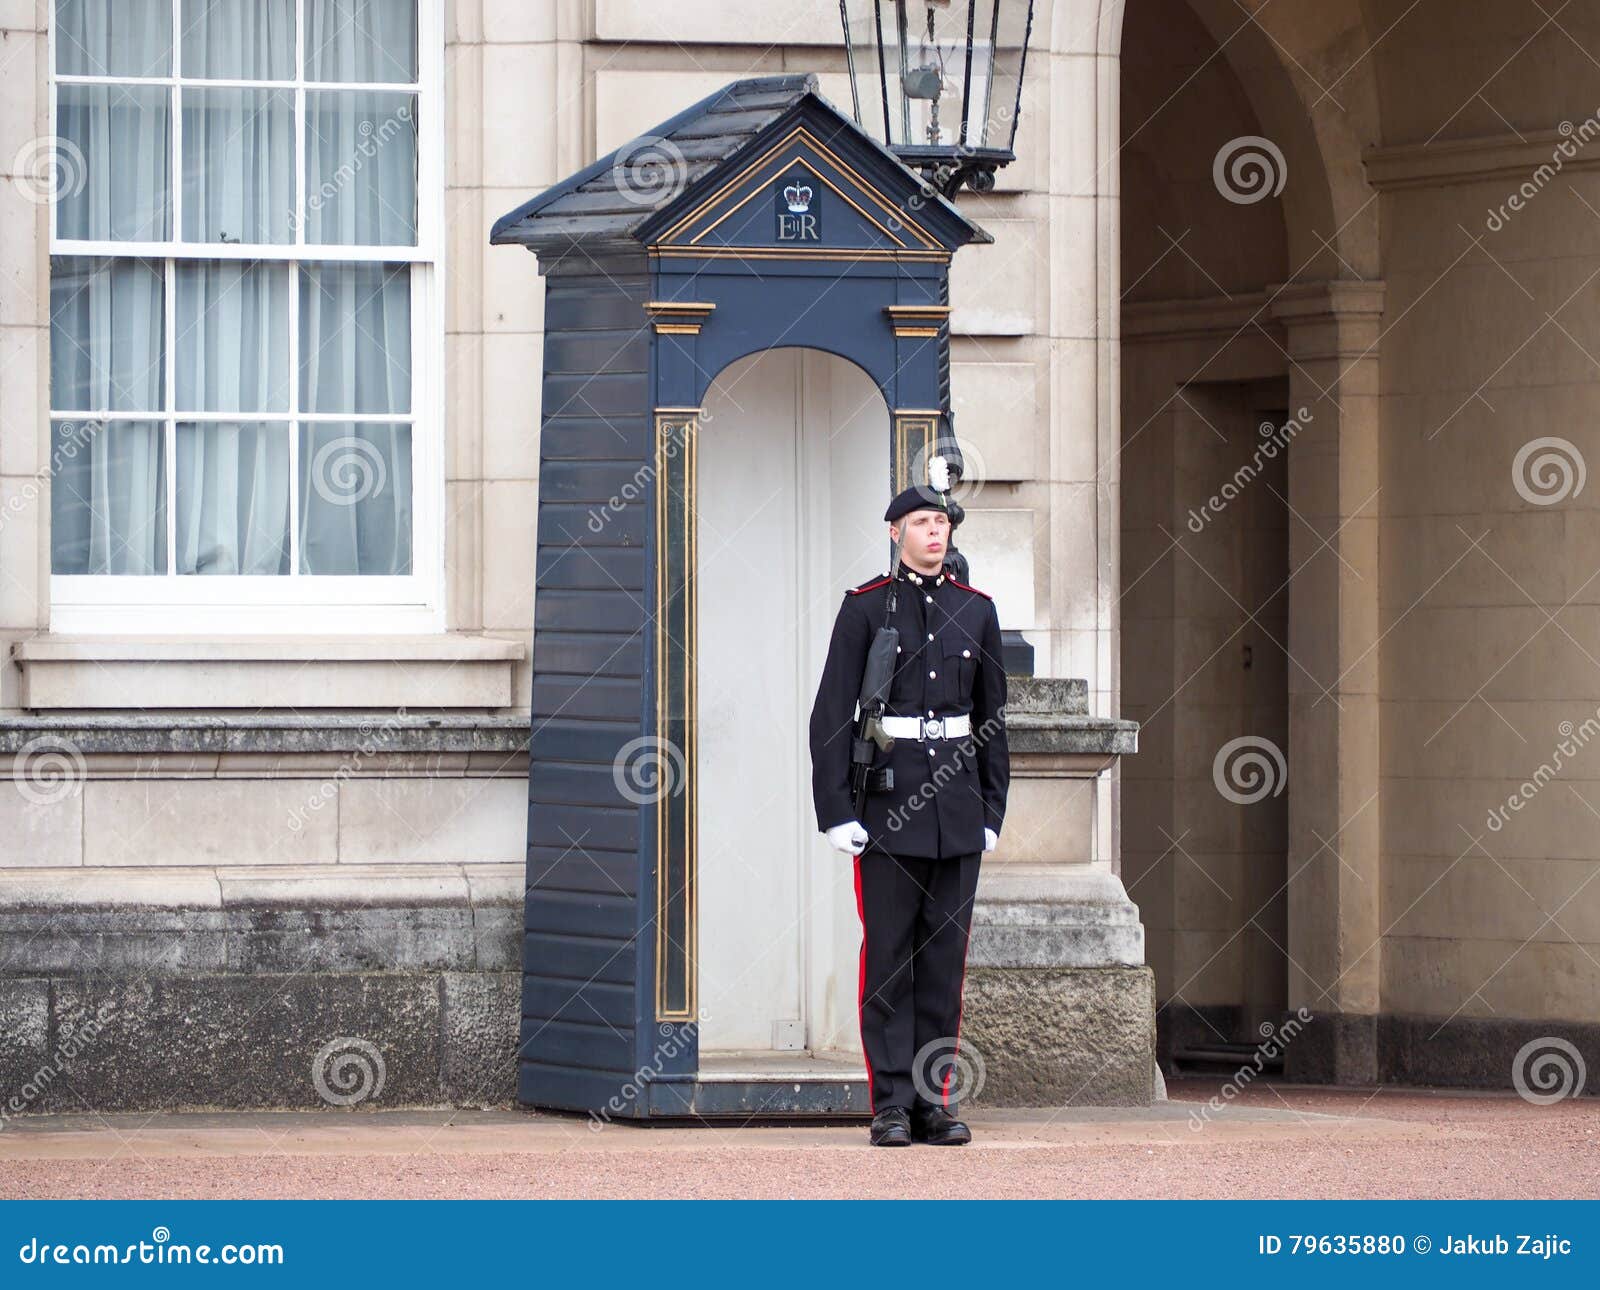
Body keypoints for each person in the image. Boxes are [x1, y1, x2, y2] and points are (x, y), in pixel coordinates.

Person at [807, 477, 1009, 1147]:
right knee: (889, 961)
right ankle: (891, 1102)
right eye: (921, 522)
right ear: (895, 532)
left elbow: (992, 721)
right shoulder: (865, 609)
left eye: (941, 522)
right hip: (890, 810)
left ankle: (933, 1101)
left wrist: (990, 810)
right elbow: (831, 713)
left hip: (956, 810)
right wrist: (837, 809)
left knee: (944, 964)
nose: (934, 532)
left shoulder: (975, 611)